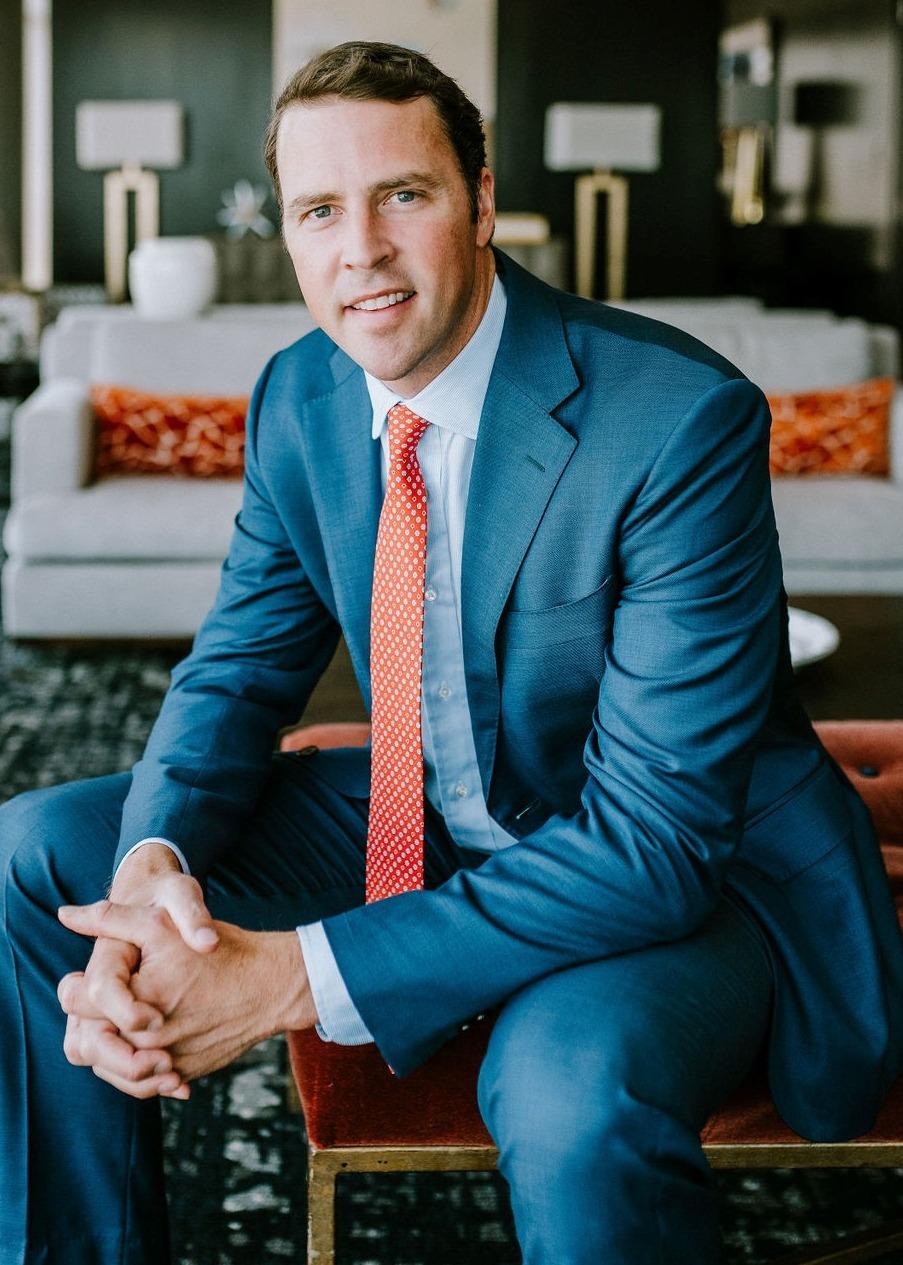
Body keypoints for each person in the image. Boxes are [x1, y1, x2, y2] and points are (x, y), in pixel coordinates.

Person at [1, 40, 902, 1265]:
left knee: (566, 1083)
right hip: (426, 811)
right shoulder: (299, 397)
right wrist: (152, 870)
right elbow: (236, 674)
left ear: (480, 202)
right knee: (45, 855)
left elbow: (655, 842)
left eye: (402, 194)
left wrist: (290, 976)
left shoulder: (674, 420)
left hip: (685, 871)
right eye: (320, 209)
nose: (360, 249)